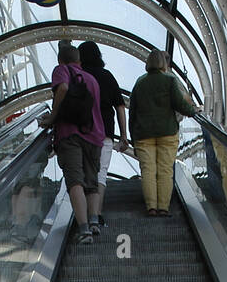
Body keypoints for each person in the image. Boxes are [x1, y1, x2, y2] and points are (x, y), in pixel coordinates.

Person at [39, 45, 105, 244]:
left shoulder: (61, 71)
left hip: (69, 134)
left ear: (61, 60)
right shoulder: (92, 80)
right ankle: (94, 221)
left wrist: (53, 116)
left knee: (75, 180)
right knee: (92, 181)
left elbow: (64, 87)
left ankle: (83, 229)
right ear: (80, 62)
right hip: (94, 135)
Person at [129, 49, 196, 216]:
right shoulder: (169, 81)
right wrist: (194, 112)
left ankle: (151, 207)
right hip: (167, 132)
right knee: (165, 170)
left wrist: (132, 137)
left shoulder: (139, 83)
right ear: (163, 64)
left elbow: (133, 113)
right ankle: (164, 207)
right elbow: (180, 104)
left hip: (143, 134)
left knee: (148, 170)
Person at [77, 40, 128, 226]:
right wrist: (123, 136)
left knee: (82, 173)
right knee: (101, 173)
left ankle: (83, 215)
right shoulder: (107, 76)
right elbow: (120, 106)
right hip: (105, 133)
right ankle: (96, 215)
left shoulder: (79, 77)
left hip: (82, 132)